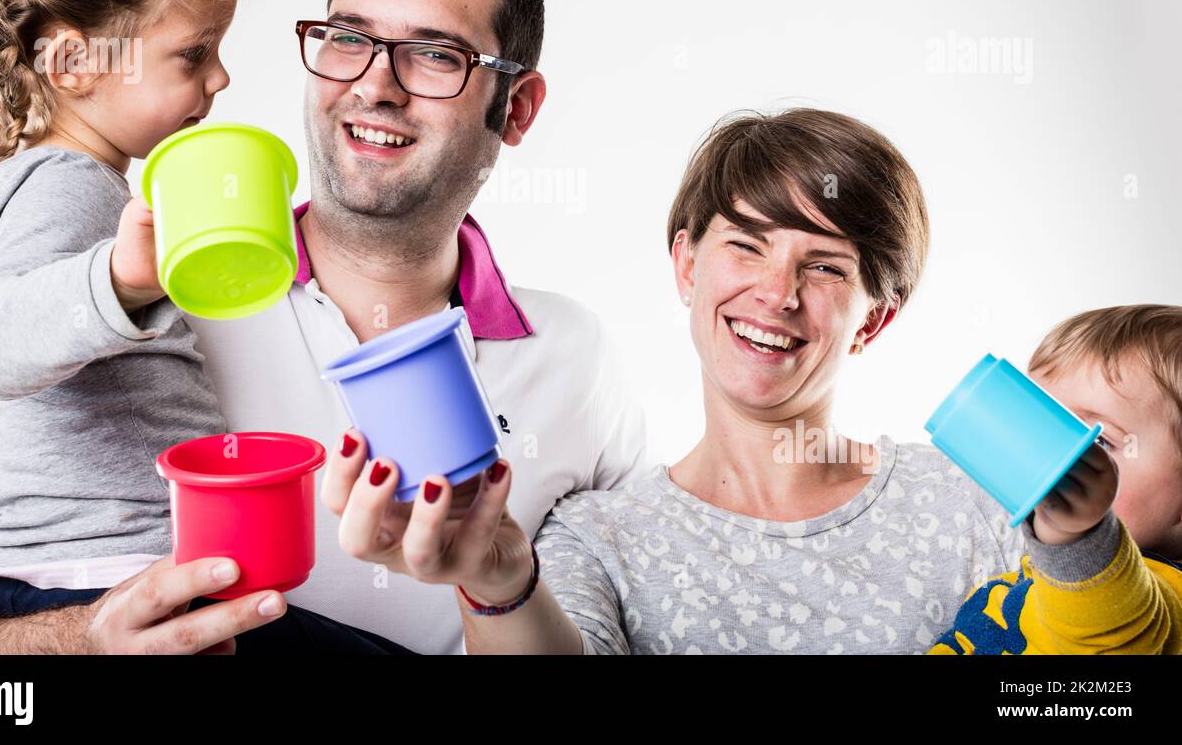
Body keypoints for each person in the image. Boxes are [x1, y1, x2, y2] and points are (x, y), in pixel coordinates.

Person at [0, 0, 651, 654]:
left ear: (516, 108)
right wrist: (82, 645)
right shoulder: (148, 288)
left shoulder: (579, 365)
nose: (376, 84)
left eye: (435, 54)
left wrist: (498, 582)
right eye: (349, 38)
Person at [0, 0, 409, 654]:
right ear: (72, 65)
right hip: (97, 577)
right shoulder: (71, 188)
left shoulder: (14, 190)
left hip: (22, 575)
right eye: (193, 54)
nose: (221, 77)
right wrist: (120, 281)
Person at [321, 107, 1031, 654]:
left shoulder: (976, 503)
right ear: (687, 267)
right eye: (747, 246)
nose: (776, 292)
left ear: (873, 321)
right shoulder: (597, 539)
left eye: (825, 267)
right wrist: (500, 580)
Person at [930, 305, 1182, 654]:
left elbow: (1114, 631)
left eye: (1097, 441)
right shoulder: (1025, 576)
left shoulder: (1163, 599)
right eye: (1043, 425)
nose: (1053, 458)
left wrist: (1080, 536)